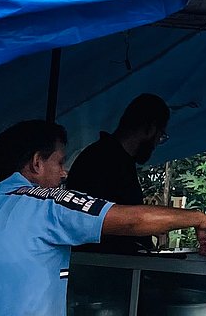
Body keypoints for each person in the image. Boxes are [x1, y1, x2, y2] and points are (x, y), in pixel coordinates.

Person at [0, 119, 206, 316]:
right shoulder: (44, 203)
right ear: (36, 162)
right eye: (59, 162)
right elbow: (129, 220)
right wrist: (197, 217)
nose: (64, 173)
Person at [67, 93, 171, 253]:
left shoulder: (113, 158)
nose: (157, 143)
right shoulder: (103, 160)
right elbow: (97, 220)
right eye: (160, 136)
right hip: (99, 266)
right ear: (150, 129)